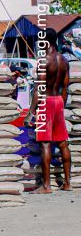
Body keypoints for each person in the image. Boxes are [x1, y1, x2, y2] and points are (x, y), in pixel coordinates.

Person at [26, 28, 72, 193]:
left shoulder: (44, 61)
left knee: (45, 143)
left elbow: (39, 88)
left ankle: (46, 186)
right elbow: (65, 88)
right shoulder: (64, 61)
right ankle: (67, 183)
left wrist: (31, 112)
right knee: (63, 143)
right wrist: (61, 105)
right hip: (59, 100)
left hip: (46, 101)